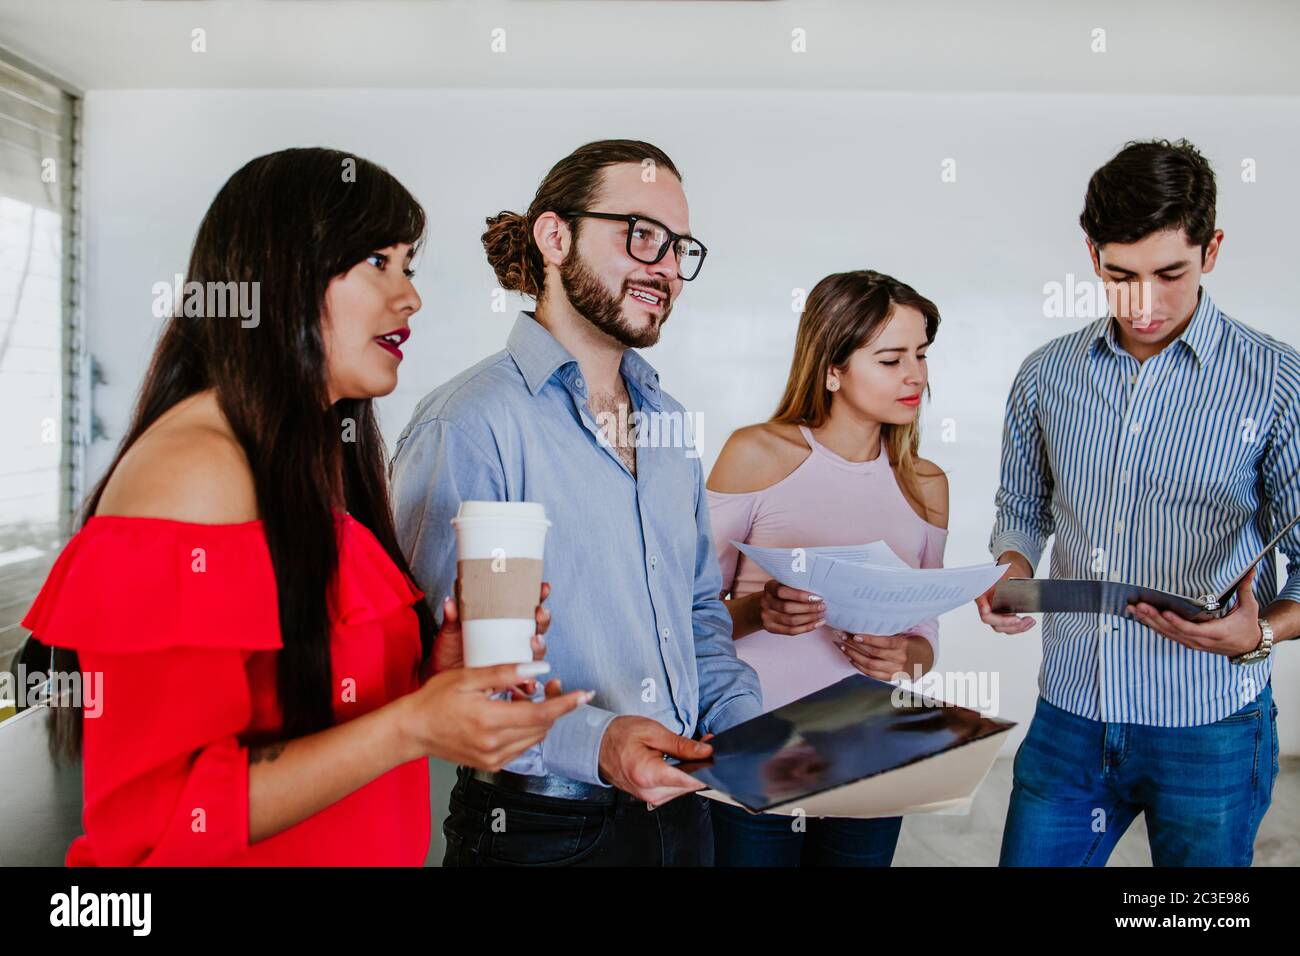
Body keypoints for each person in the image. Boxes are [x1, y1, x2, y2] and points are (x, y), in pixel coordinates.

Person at [20, 147, 590, 866]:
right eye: (377, 262)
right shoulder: (193, 471)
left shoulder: (310, 461)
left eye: (408, 265)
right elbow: (163, 817)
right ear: (281, 275)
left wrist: (431, 679)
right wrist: (414, 726)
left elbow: (311, 711)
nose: (410, 296)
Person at [391, 139, 762, 866]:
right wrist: (599, 742)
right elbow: (441, 672)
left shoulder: (670, 425)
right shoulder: (468, 424)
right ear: (555, 236)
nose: (665, 267)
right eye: (641, 235)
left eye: (678, 247)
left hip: (684, 816)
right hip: (539, 830)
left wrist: (750, 730)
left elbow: (698, 613)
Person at [977, 138, 1299, 866]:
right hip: (1068, 720)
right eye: (1121, 275)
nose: (1144, 302)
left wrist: (1262, 635)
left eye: (1169, 274)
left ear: (1211, 250)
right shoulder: (1045, 376)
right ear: (1091, 254)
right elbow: (1022, 503)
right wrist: (1012, 563)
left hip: (1210, 727)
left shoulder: (1280, 384)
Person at [707, 269, 949, 866]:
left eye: (921, 355)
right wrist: (759, 610)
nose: (915, 375)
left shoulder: (926, 484)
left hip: (869, 748)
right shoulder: (756, 454)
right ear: (832, 368)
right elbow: (683, 612)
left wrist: (907, 656)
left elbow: (926, 632)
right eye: (891, 359)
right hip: (755, 743)